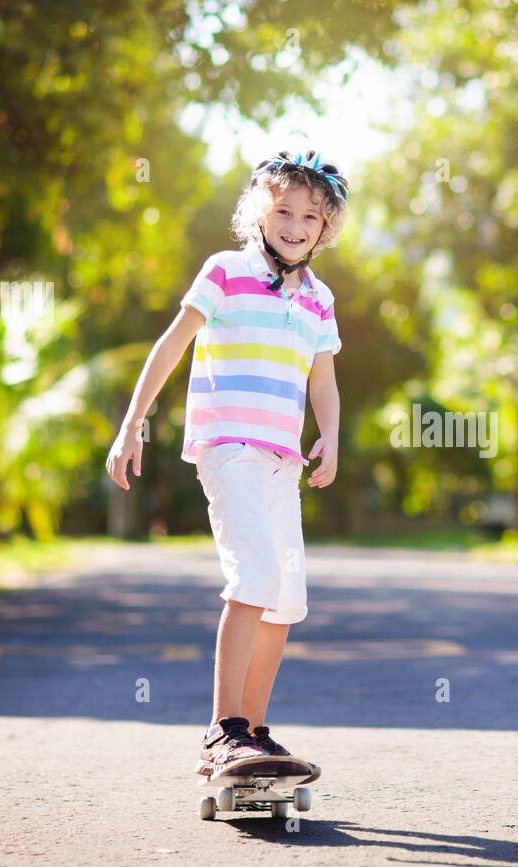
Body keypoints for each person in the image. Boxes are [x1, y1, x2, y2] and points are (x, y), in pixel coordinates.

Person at [106, 148, 347, 783]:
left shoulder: (319, 298)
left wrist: (332, 435)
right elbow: (170, 345)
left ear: (326, 229)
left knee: (287, 597)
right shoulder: (225, 271)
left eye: (310, 217)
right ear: (258, 215)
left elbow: (323, 380)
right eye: (283, 211)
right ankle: (224, 732)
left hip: (281, 460)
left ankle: (256, 735)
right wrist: (133, 423)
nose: (296, 225)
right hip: (228, 447)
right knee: (257, 577)